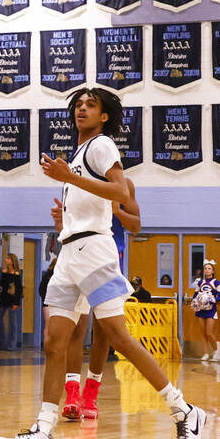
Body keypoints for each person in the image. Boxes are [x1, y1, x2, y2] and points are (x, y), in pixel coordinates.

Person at [0, 87, 205, 439]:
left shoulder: (101, 145)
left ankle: (184, 411)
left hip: (94, 250)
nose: (82, 109)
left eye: (90, 105)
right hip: (69, 252)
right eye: (78, 105)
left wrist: (69, 180)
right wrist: (65, 220)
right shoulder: (77, 155)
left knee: (118, 337)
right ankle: (43, 431)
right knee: (54, 342)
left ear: (104, 115)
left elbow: (120, 190)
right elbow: (89, 199)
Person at [61, 177, 141, 419]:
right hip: (78, 258)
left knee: (103, 331)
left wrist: (117, 211)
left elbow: (136, 226)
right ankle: (72, 393)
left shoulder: (124, 183)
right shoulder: (74, 180)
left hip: (108, 259)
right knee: (76, 327)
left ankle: (91, 393)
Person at [189, 260, 220, 362]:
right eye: (205, 268)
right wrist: (197, 301)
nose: (207, 270)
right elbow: (195, 295)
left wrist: (213, 300)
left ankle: (216, 351)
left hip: (211, 310)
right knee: (203, 333)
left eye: (209, 268)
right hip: (201, 310)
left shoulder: (216, 282)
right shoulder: (200, 282)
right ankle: (206, 353)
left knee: (209, 333)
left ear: (213, 271)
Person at [0, 252, 23, 352]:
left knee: (13, 323)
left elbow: (18, 290)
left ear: (12, 261)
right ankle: (2, 343)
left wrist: (17, 302)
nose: (6, 260)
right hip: (3, 299)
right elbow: (2, 287)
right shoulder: (3, 271)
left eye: (8, 259)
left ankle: (12, 345)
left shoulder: (16, 274)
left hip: (13, 301)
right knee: (0, 320)